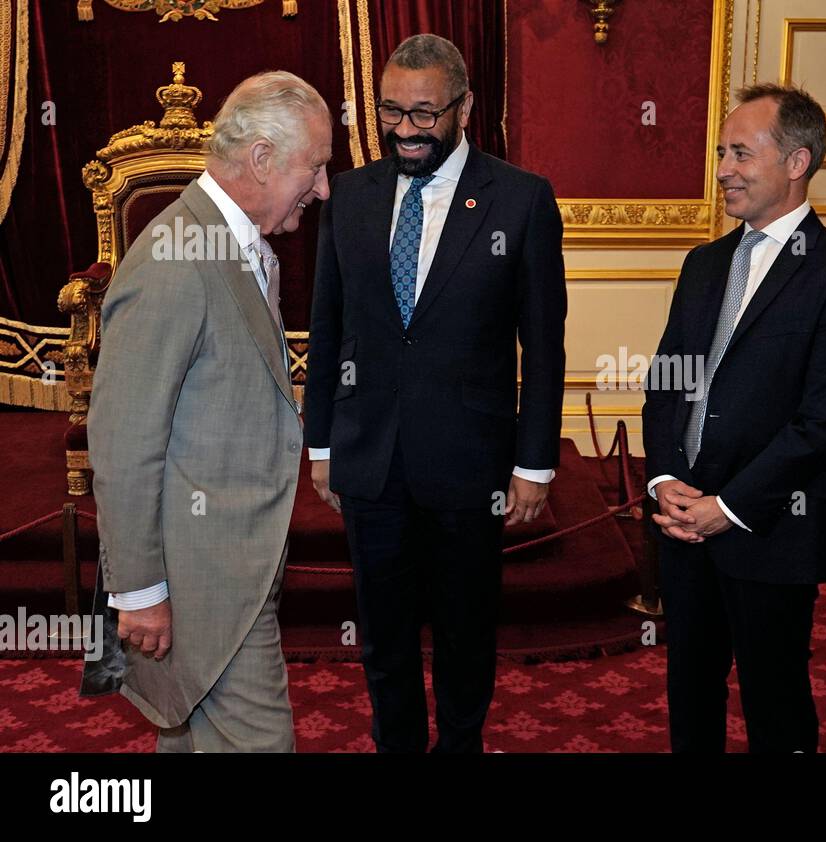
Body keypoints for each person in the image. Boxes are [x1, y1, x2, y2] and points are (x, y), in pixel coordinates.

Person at [304, 34, 566, 753]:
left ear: (464, 107)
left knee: (465, 631)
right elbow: (328, 327)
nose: (406, 129)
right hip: (369, 456)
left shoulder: (522, 200)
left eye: (424, 112)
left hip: (471, 463)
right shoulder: (350, 195)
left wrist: (534, 463)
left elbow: (544, 346)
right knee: (383, 636)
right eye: (391, 111)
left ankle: (460, 746)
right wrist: (321, 443)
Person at [85, 71, 332, 752]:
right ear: (262, 158)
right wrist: (139, 592)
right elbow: (123, 441)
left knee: (190, 740)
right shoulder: (174, 259)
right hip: (201, 579)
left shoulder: (234, 242)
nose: (323, 188)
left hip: (234, 564)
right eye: (314, 167)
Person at [642, 83, 826, 752]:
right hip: (682, 522)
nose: (723, 169)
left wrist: (729, 506)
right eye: (722, 152)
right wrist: (664, 480)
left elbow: (822, 423)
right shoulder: (703, 264)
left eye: (741, 154)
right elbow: (666, 382)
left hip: (771, 528)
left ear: (797, 161)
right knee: (690, 690)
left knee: (774, 701)